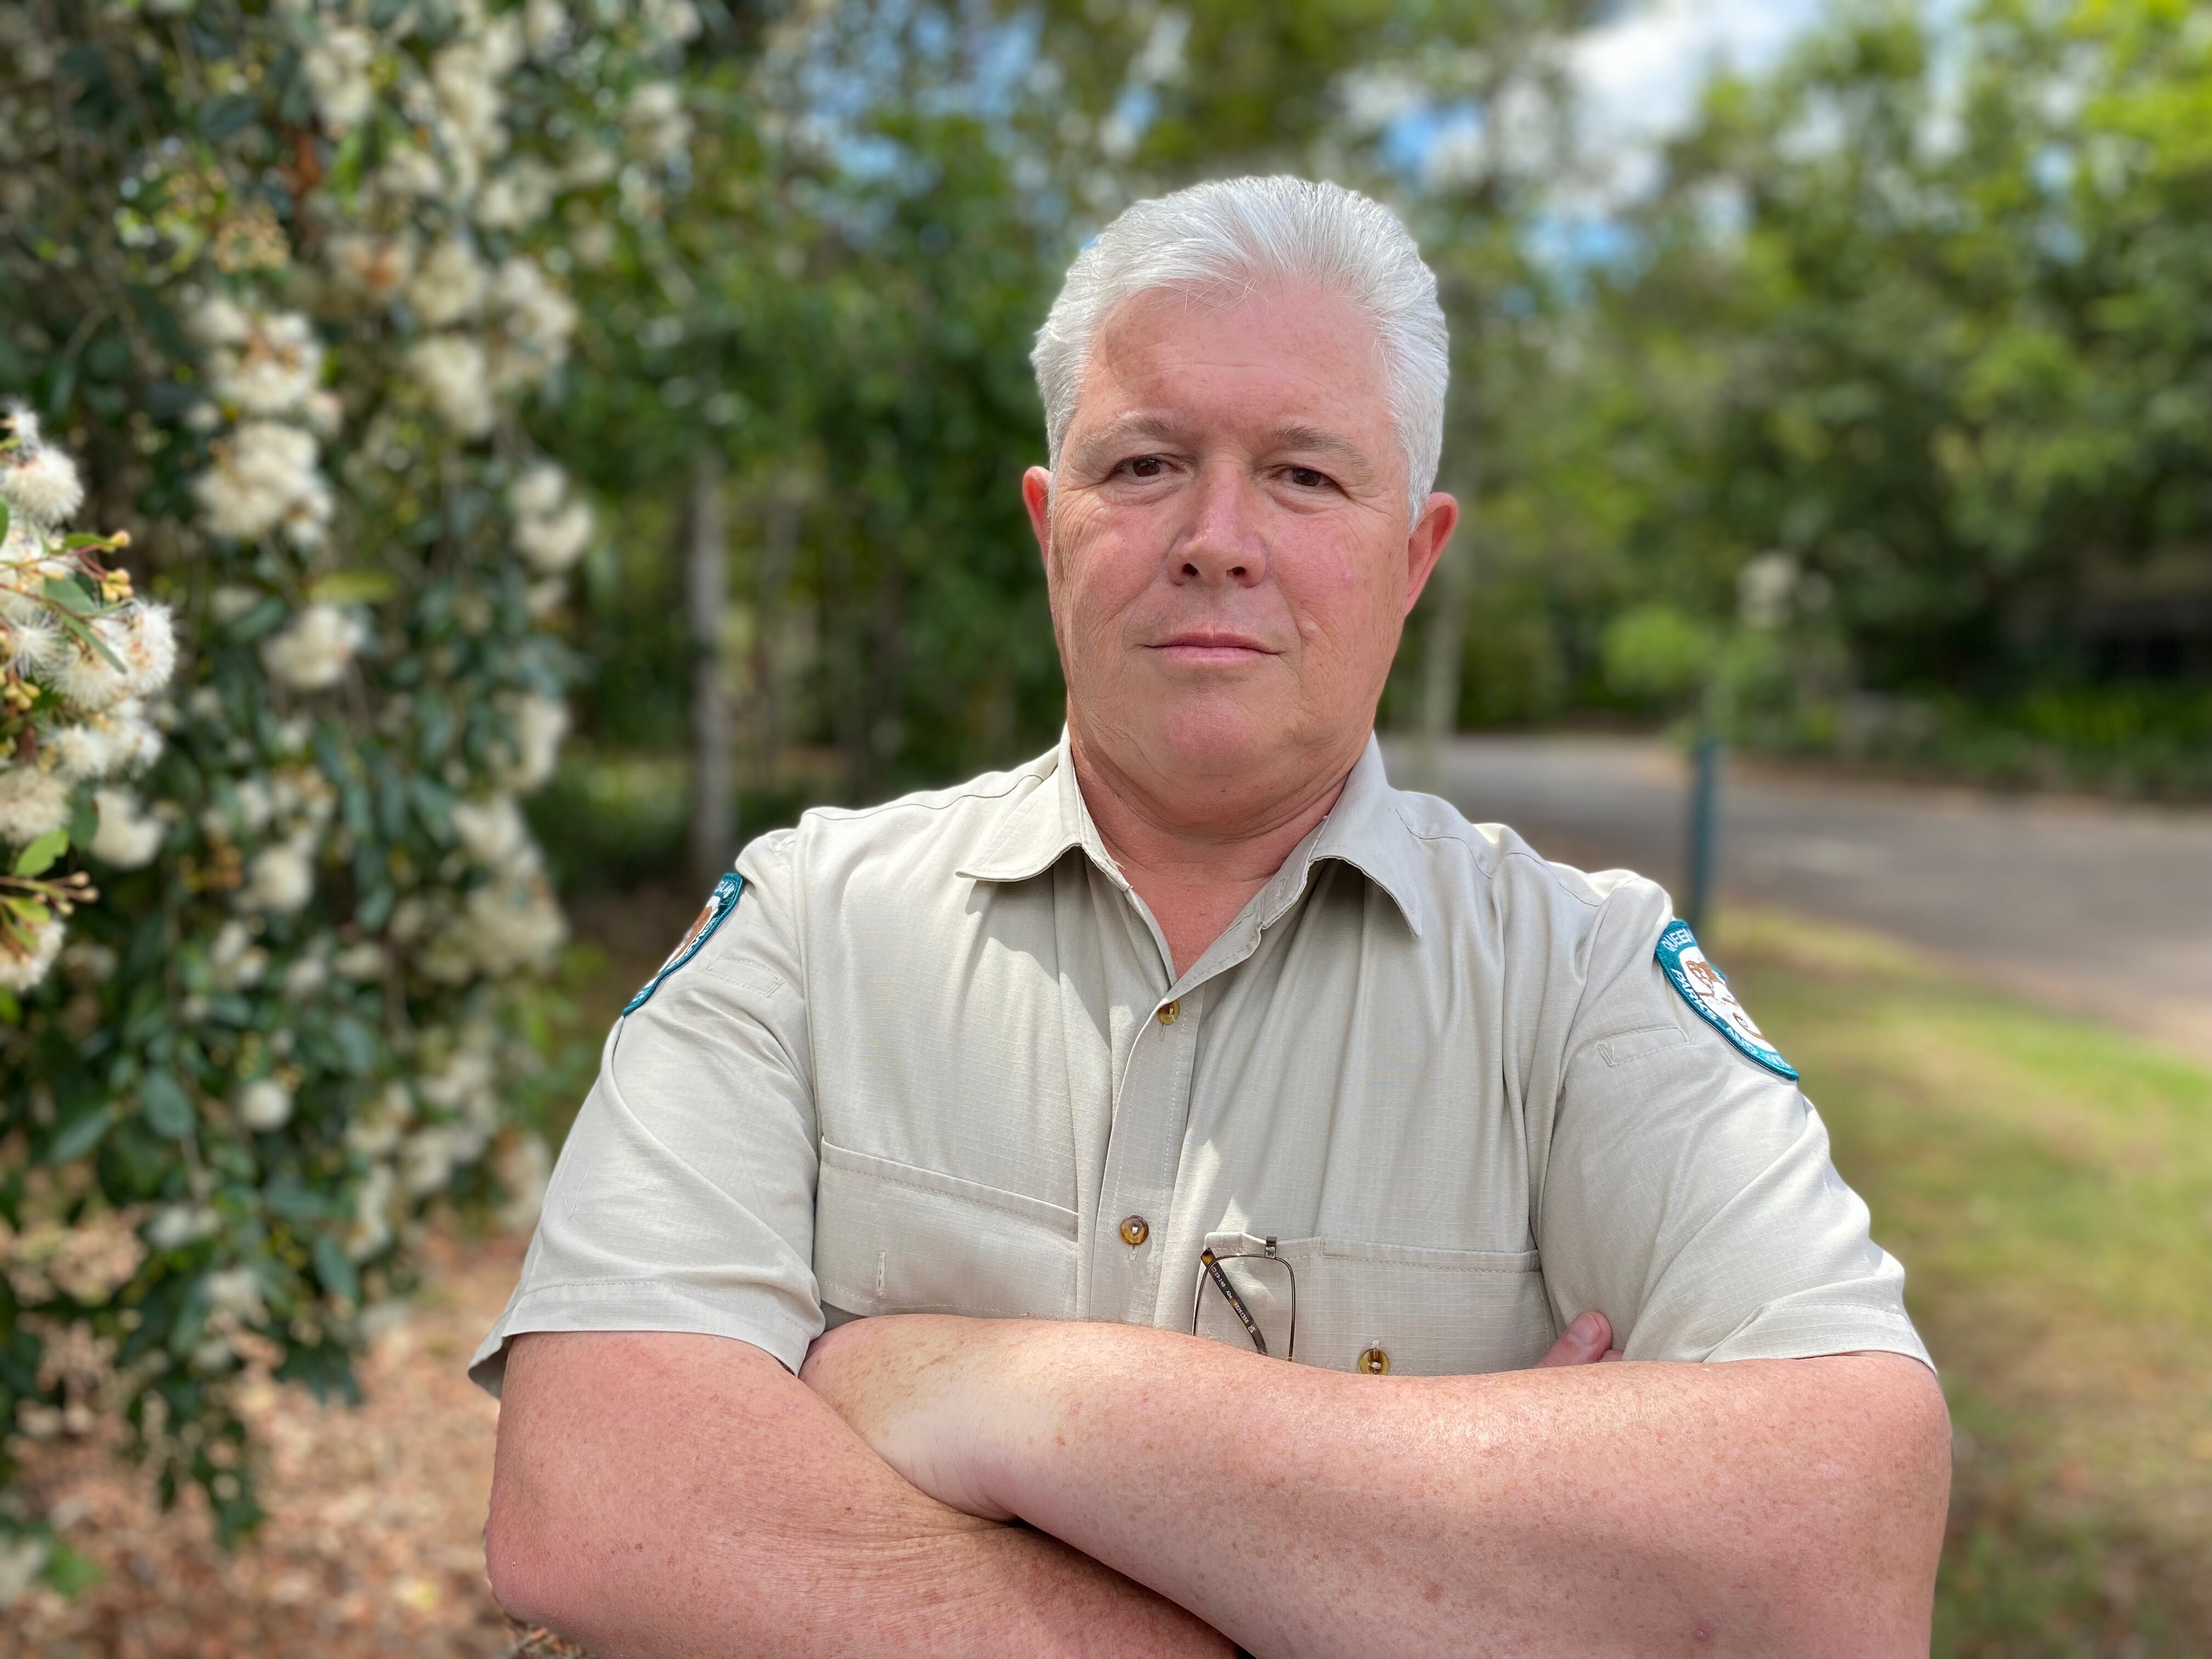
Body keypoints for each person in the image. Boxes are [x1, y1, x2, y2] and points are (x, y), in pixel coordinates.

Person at [474, 177, 1949, 1657]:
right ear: (1052, 528)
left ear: (1416, 555)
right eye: (1146, 463)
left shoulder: (1582, 979)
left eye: (1306, 476)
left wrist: (992, 1395)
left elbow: (1835, 1545)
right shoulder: (807, 923)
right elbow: (595, 1501)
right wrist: (1422, 1558)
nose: (1218, 538)